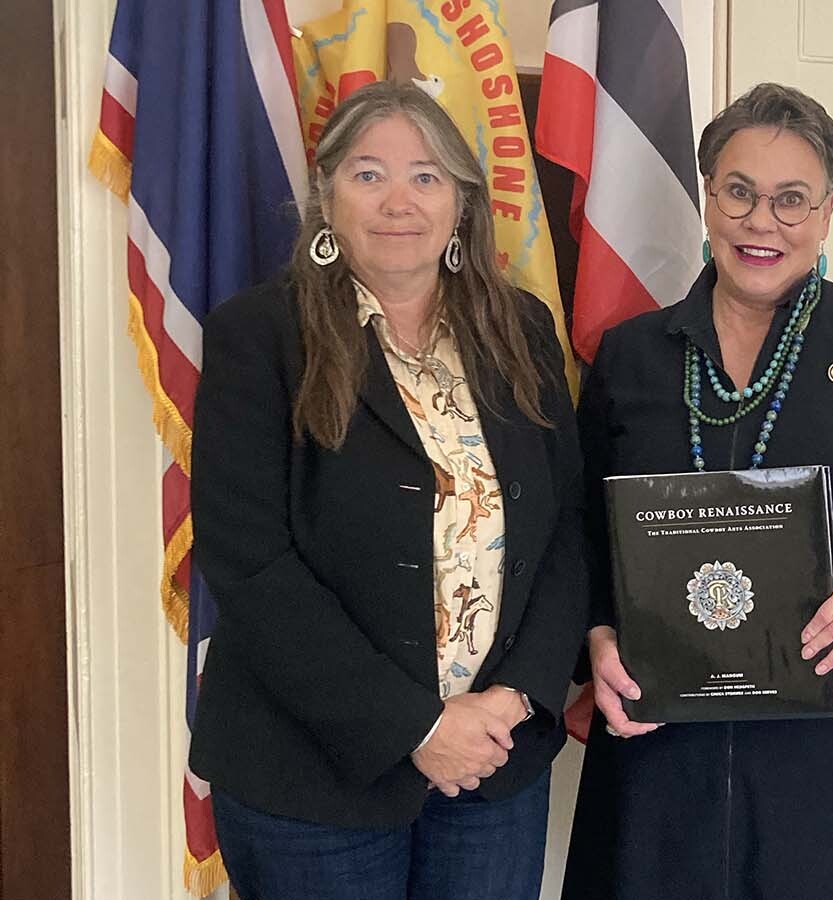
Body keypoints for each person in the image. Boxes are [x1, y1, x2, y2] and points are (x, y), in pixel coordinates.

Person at [561, 82, 833, 900]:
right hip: (661, 733)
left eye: (792, 200)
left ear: (827, 213)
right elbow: (578, 526)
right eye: (740, 192)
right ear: (708, 196)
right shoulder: (632, 356)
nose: (763, 222)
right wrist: (598, 638)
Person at [188, 82, 587, 899]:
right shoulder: (258, 337)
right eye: (369, 174)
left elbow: (567, 531)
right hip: (310, 778)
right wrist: (418, 728)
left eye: (427, 176)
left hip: (492, 765)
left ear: (464, 205)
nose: (399, 202)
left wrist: (515, 699)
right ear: (327, 196)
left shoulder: (523, 329)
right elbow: (251, 564)